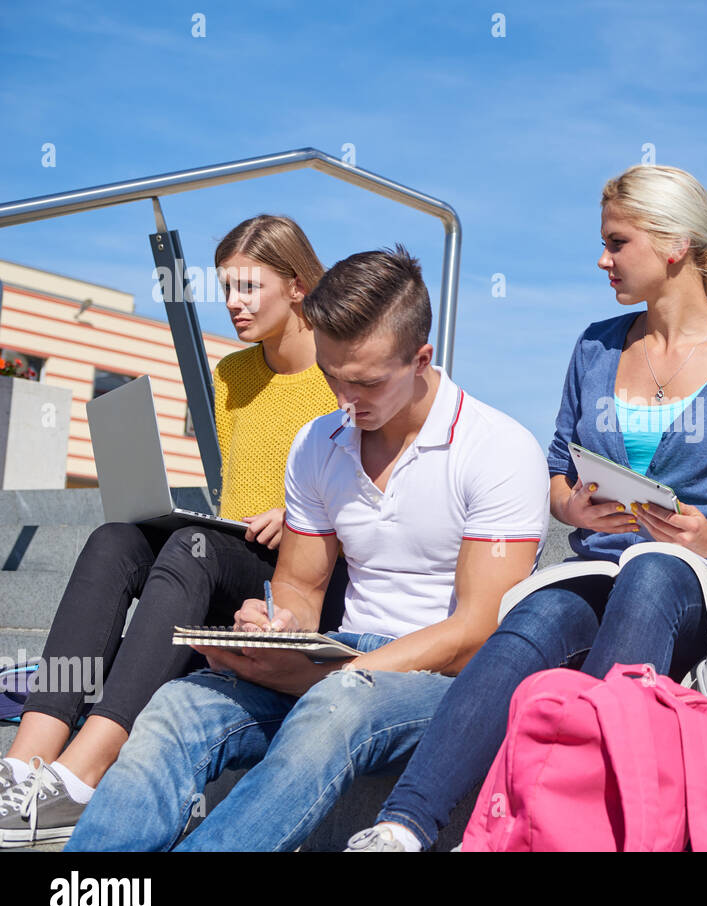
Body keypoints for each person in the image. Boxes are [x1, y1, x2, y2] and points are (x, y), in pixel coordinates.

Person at [344, 164, 707, 851]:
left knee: (652, 574)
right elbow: (558, 473)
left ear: (674, 244)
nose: (603, 258)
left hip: (694, 580)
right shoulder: (595, 345)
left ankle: (566, 821)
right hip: (596, 570)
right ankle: (400, 827)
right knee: (535, 619)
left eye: (618, 242)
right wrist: (575, 508)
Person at [63, 246, 550, 851]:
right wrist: (275, 625)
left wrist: (342, 674)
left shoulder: (498, 449)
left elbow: (477, 632)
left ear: (422, 359)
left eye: (367, 382)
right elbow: (301, 584)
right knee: (177, 707)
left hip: (446, 682)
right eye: (330, 375)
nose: (345, 400)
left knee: (337, 708)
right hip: (340, 656)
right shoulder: (318, 443)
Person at [0, 215, 345, 847]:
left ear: (298, 286)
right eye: (226, 289)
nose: (233, 304)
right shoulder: (233, 374)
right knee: (114, 539)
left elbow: (376, 500)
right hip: (226, 550)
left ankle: (82, 776)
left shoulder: (342, 370)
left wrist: (300, 515)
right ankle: (25, 760)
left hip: (302, 570)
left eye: (248, 287)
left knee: (192, 549)